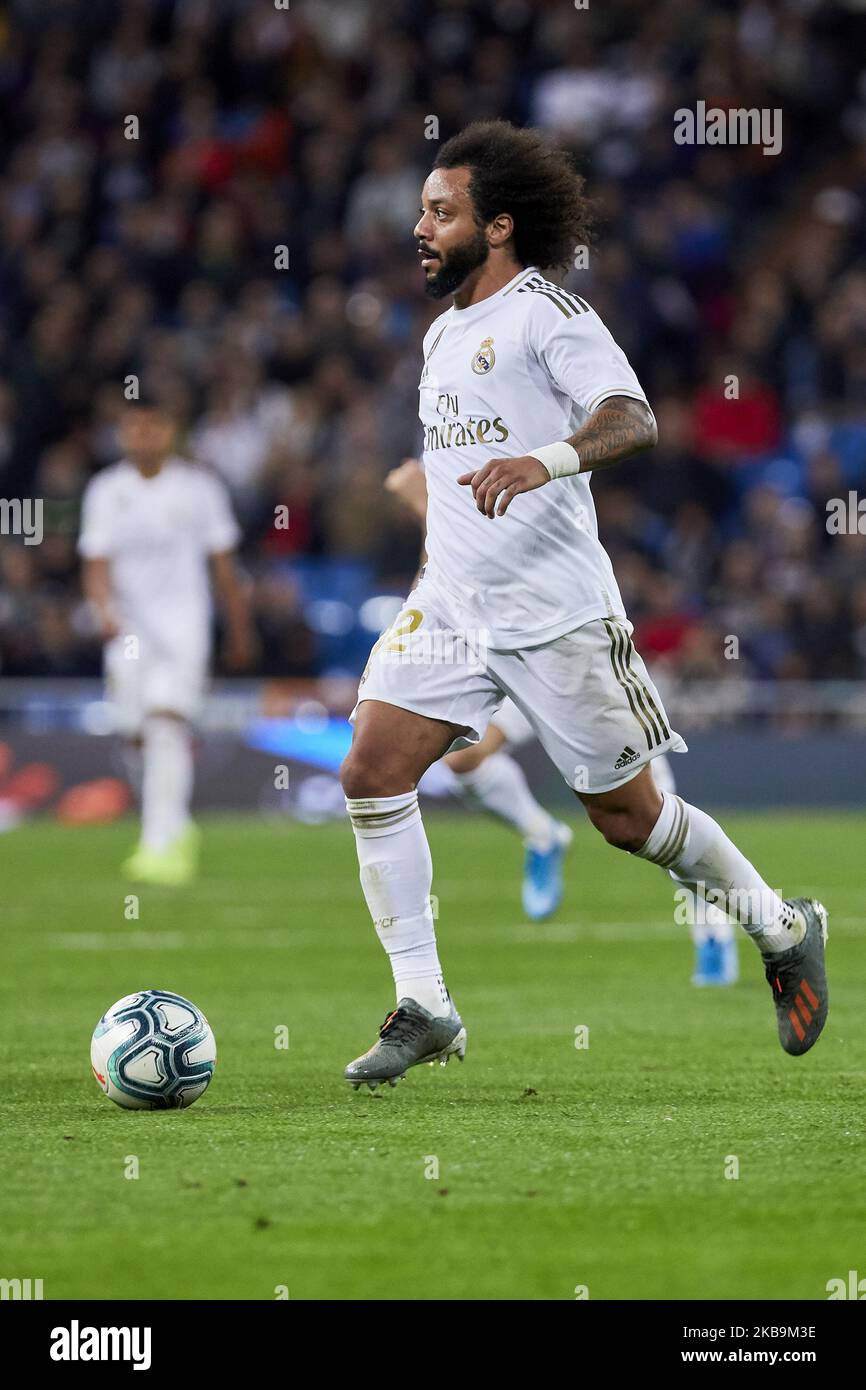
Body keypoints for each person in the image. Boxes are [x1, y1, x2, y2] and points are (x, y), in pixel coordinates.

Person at [339, 121, 827, 1091]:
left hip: (556, 613)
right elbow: (466, 482)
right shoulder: (440, 336)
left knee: (629, 819)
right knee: (369, 770)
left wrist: (543, 459)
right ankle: (425, 1005)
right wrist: (429, 510)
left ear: (500, 225)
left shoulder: (545, 314)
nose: (420, 228)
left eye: (442, 211)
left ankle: (778, 925)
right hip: (450, 604)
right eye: (421, 211)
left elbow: (631, 417)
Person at [385, 456, 572, 921]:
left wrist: (420, 500)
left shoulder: (514, 464)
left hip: (555, 635)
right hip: (493, 641)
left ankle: (738, 921)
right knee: (463, 757)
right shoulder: (456, 473)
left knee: (632, 803)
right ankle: (543, 835)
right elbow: (438, 576)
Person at [79, 396, 255, 885]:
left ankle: (160, 846)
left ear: (171, 431)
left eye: (153, 426)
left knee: (165, 723)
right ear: (122, 433)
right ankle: (174, 822)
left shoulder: (199, 488)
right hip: (129, 633)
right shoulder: (105, 490)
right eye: (134, 427)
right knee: (135, 733)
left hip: (184, 628)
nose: (144, 435)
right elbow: (96, 565)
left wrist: (240, 629)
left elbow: (224, 567)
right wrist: (102, 610)